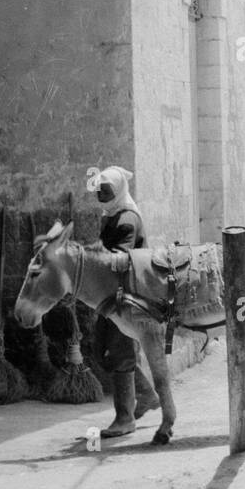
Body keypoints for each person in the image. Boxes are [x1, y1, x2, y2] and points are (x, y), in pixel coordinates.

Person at [91, 165, 158, 437]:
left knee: (119, 351)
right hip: (111, 293)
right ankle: (147, 395)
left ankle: (124, 418)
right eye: (99, 191)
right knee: (104, 348)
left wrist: (93, 258)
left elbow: (121, 257)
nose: (101, 195)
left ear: (118, 190)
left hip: (126, 295)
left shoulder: (126, 219)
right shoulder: (113, 215)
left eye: (106, 191)